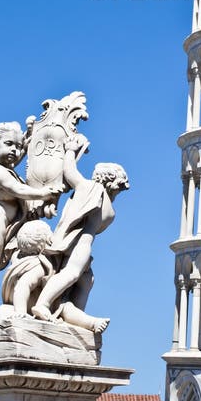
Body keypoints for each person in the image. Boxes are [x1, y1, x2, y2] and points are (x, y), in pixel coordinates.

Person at [31, 136, 129, 322]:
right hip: (81, 244)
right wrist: (69, 150)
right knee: (72, 274)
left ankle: (72, 315)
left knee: (85, 280)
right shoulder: (94, 191)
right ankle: (42, 304)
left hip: (81, 243)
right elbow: (70, 173)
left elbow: (70, 172)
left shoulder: (100, 198)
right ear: (112, 180)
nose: (122, 188)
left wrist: (71, 151)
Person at [0, 122, 59, 306]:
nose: (15, 150)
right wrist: (45, 192)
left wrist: (29, 140)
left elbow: (18, 156)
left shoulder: (8, 168)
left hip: (14, 220)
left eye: (18, 146)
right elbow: (18, 190)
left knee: (3, 259)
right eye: (9, 144)